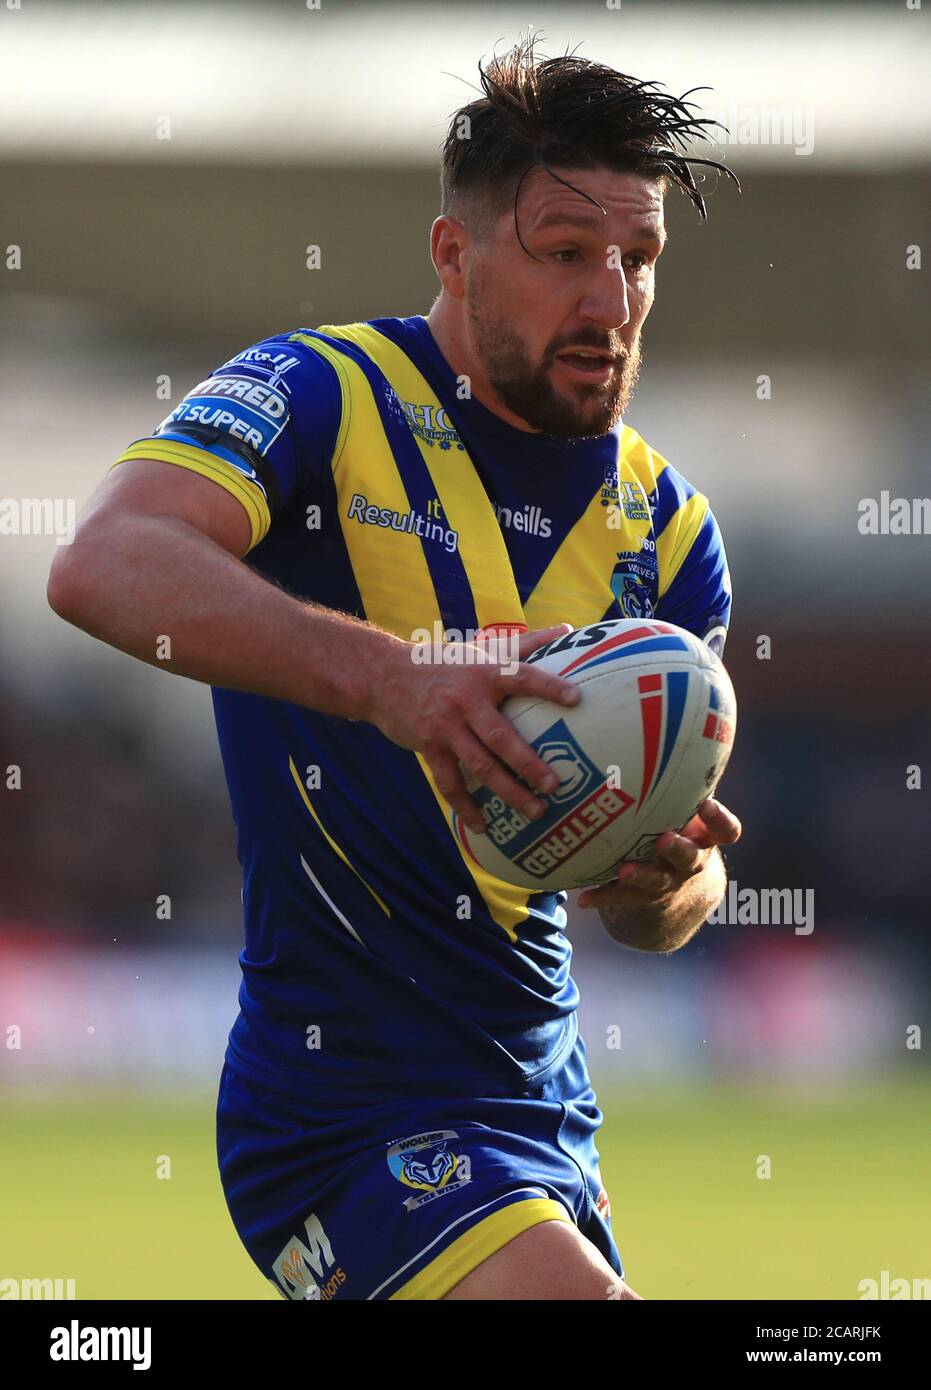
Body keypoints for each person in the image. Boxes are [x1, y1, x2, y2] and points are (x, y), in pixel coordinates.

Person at [48, 38, 741, 1301]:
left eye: (636, 260)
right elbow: (102, 562)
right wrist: (392, 677)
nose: (612, 300)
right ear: (455, 253)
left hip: (544, 1117)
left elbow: (659, 914)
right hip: (342, 1107)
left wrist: (667, 875)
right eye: (565, 252)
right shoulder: (318, 394)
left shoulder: (670, 534)